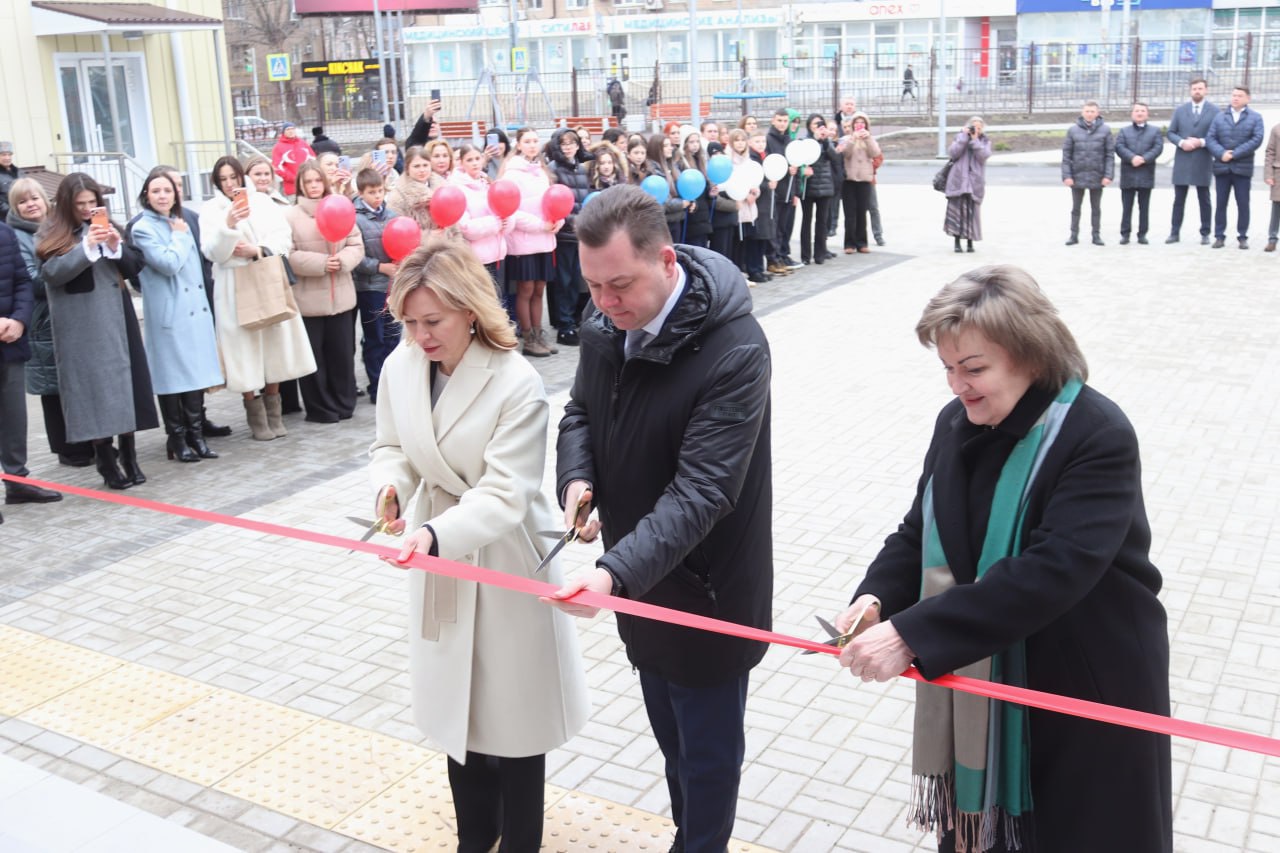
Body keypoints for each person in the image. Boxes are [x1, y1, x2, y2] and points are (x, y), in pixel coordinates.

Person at [834, 264, 1172, 853]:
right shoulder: (957, 422)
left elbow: (1052, 571)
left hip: (1083, 682)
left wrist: (911, 635)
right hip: (985, 662)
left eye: (974, 368)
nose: (956, 385)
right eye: (947, 368)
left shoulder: (1096, 433)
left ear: (1032, 357)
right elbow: (921, 530)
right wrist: (876, 599)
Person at [548, 185, 774, 853]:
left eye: (619, 285)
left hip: (706, 589)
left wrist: (614, 571)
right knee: (672, 746)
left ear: (667, 260)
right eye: (592, 287)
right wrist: (578, 479)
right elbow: (579, 413)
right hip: (638, 585)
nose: (605, 303)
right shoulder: (603, 328)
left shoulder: (735, 349)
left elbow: (704, 490)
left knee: (707, 761)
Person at [369, 239, 589, 853]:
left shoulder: (515, 381)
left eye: (432, 321)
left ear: (469, 309)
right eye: (409, 322)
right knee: (456, 707)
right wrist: (390, 490)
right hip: (435, 545)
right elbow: (391, 446)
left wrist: (435, 533)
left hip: (505, 555)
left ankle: (520, 840)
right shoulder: (401, 366)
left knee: (514, 715)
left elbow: (505, 494)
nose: (420, 335)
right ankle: (474, 834)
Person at [37, 173, 158, 489]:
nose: (88, 209)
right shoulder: (52, 232)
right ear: (67, 205)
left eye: (93, 202)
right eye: (81, 204)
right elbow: (51, 274)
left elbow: (135, 265)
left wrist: (116, 247)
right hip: (82, 327)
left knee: (126, 387)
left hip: (118, 317)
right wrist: (86, 248)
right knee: (95, 393)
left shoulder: (110, 226)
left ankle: (130, 456)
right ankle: (105, 460)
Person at [199, 156, 315, 441]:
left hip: (266, 278)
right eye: (223, 179)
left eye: (233, 177)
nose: (229, 184)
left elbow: (282, 238)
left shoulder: (262, 202)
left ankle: (274, 411)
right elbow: (211, 251)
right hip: (232, 286)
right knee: (243, 348)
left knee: (274, 343)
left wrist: (257, 249)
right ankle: (256, 416)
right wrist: (228, 225)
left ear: (242, 177)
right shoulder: (211, 209)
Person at [130, 167, 224, 463]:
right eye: (156, 190)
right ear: (146, 194)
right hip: (170, 316)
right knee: (172, 378)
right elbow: (167, 263)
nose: (162, 195)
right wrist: (181, 238)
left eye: (167, 190)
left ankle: (197, 436)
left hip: (195, 313)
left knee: (195, 375)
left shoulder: (178, 222)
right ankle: (177, 438)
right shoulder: (143, 227)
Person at [7, 179, 93, 468]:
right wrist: (65, 272)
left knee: (76, 382)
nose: (31, 204)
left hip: (70, 314)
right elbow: (32, 279)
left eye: (35, 198)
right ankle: (66, 449)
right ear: (15, 207)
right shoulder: (17, 235)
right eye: (23, 201)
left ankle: (89, 441)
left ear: (46, 201)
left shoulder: (59, 226)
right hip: (42, 319)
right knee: (52, 389)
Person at [286, 160, 365, 423]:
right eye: (308, 182)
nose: (313, 186)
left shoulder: (340, 206)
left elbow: (356, 243)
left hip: (340, 296)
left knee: (342, 355)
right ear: (300, 184)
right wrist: (320, 264)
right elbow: (288, 254)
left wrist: (343, 260)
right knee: (314, 359)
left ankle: (344, 403)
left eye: (317, 180)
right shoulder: (290, 216)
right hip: (309, 300)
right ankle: (320, 408)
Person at [0, 216, 62, 515]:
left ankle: (17, 482)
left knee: (14, 416)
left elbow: (22, 281)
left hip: (10, 340)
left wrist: (20, 320)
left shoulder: (4, 234)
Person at [501, 127, 561, 358]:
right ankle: (527, 336)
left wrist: (557, 221)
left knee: (539, 289)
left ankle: (538, 332)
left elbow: (552, 202)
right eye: (527, 141)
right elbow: (511, 211)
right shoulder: (512, 174)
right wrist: (539, 225)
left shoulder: (541, 172)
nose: (532, 145)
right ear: (518, 144)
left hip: (544, 239)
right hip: (523, 240)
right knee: (525, 289)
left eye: (535, 141)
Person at [353, 167, 399, 403]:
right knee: (375, 338)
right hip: (370, 286)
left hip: (393, 286)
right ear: (361, 193)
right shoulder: (356, 219)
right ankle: (377, 385)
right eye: (372, 192)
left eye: (380, 190)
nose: (377, 196)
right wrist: (379, 267)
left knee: (393, 336)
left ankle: (394, 382)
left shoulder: (392, 215)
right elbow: (355, 257)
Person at [544, 128, 593, 347]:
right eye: (564, 144)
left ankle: (573, 320)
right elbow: (556, 203)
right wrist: (574, 220)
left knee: (575, 280)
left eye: (572, 143)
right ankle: (564, 325)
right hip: (564, 233)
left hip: (579, 233)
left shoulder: (581, 168)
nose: (569, 147)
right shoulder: (553, 170)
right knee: (563, 281)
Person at [452, 142, 512, 303]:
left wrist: (507, 222)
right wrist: (496, 223)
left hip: (497, 252)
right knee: (482, 302)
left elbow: (504, 211)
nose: (475, 163)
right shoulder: (458, 188)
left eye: (477, 158)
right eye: (469, 160)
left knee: (498, 299)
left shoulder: (488, 183)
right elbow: (466, 227)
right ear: (462, 163)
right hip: (476, 256)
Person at [1206, 85, 1264, 250]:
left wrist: (1235, 154)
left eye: (1239, 95)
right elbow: (1210, 138)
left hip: (1242, 168)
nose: (1235, 98)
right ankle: (1219, 236)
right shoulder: (1219, 117)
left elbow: (1257, 139)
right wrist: (1222, 153)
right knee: (1221, 203)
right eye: (1233, 95)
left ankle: (1242, 236)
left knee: (1243, 203)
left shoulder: (1255, 117)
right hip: (1222, 167)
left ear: (1248, 99)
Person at [1165, 78, 1218, 245]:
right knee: (1179, 198)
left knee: (1204, 198)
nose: (1197, 91)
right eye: (1194, 88)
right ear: (1190, 90)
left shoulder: (1215, 111)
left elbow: (1216, 135)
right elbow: (1171, 132)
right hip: (1183, 159)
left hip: (1203, 159)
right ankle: (1174, 232)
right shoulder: (1180, 111)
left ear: (1206, 90)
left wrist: (1201, 142)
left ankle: (1205, 233)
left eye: (1200, 88)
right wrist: (1182, 142)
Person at [1060, 100, 1114, 246]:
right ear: (1082, 112)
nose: (1089, 114)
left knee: (1096, 208)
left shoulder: (1105, 130)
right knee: (1076, 208)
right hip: (1077, 175)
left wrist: (1108, 175)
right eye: (1087, 111)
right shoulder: (1073, 130)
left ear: (1097, 113)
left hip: (1097, 175)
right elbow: (1066, 155)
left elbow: (1109, 155)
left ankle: (1096, 235)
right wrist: (1067, 175)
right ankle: (1073, 235)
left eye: (1092, 111)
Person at [1115, 103, 1164, 246]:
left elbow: (1158, 147)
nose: (1140, 113)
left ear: (1147, 114)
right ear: (1132, 113)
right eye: (1137, 111)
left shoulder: (1154, 131)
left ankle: (1142, 234)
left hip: (1146, 173)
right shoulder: (1124, 131)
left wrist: (1144, 159)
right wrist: (1132, 158)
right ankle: (1125, 234)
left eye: (1143, 111)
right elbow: (1119, 147)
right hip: (1128, 174)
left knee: (1144, 207)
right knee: (1126, 207)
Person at [943, 116, 992, 254]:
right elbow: (953, 153)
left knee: (971, 212)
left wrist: (975, 140)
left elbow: (983, 156)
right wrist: (964, 137)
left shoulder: (985, 141)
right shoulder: (960, 137)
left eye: (979, 127)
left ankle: (970, 242)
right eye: (973, 127)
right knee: (957, 211)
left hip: (974, 182)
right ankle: (957, 242)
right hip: (959, 180)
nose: (975, 130)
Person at [836, 112, 881, 254]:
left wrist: (867, 139)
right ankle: (849, 243)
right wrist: (852, 139)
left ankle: (862, 242)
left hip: (865, 180)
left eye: (862, 123)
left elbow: (875, 153)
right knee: (850, 213)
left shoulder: (871, 139)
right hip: (849, 180)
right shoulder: (846, 139)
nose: (859, 125)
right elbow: (845, 154)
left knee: (862, 212)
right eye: (857, 123)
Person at [798, 114, 839, 265]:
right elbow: (802, 158)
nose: (818, 127)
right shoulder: (804, 141)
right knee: (806, 221)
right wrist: (815, 139)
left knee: (822, 222)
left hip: (825, 186)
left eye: (821, 124)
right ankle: (805, 255)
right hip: (809, 186)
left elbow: (835, 159)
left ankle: (820, 253)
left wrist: (826, 141)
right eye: (815, 124)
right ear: (809, 126)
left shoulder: (826, 141)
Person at [766, 109, 802, 272]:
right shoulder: (768, 140)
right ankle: (772, 259)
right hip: (775, 190)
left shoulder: (789, 140)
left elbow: (796, 163)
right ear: (773, 121)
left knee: (783, 227)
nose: (782, 124)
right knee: (774, 227)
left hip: (789, 189)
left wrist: (796, 191)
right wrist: (783, 169)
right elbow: (769, 163)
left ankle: (781, 256)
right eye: (779, 120)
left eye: (785, 121)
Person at [271, 123, 314, 200]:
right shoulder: (278, 147)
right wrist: (294, 178)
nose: (291, 131)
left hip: (308, 184)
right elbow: (278, 167)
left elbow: (313, 159)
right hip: (292, 188)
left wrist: (309, 176)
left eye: (292, 129)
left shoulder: (303, 143)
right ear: (283, 132)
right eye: (288, 129)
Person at [1263, 120, 1280, 252]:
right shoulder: (1276, 129)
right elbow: (1270, 152)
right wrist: (1268, 174)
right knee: (1276, 208)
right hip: (1278, 173)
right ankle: (1272, 239)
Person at [0, 142, 21, 221]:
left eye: (9, 154)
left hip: (23, 216)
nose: (7, 157)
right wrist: (13, 212)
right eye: (3, 155)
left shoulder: (19, 172)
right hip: (5, 219)